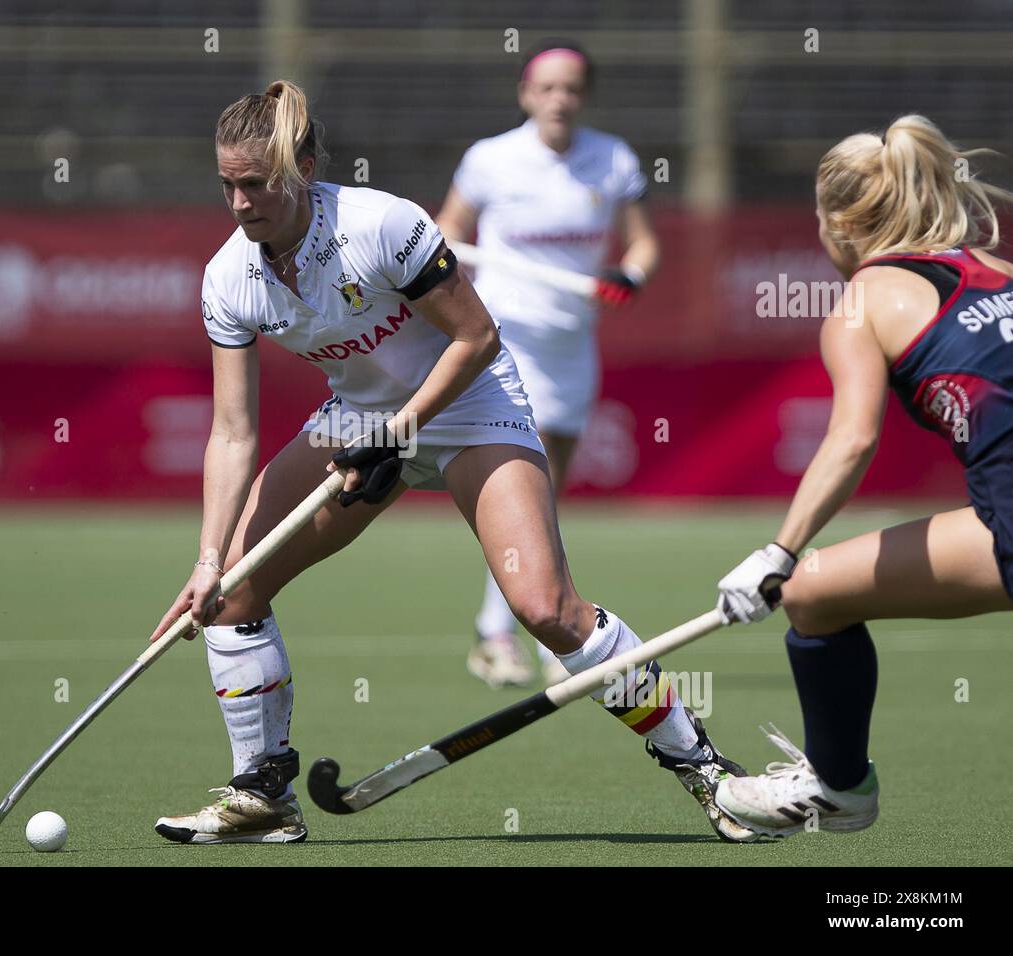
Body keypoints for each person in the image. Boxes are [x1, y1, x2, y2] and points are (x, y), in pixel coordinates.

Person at [148, 79, 752, 845]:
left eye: (257, 182)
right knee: (231, 594)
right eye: (227, 184)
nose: (239, 203)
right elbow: (232, 430)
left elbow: (478, 338)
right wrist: (207, 559)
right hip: (361, 418)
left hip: (470, 404)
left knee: (547, 611)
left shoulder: (381, 224)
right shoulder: (227, 278)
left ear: (302, 165)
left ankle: (708, 771)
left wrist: (398, 432)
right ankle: (263, 794)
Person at [713, 114, 1013, 838]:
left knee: (810, 593)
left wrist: (777, 555)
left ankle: (839, 788)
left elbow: (851, 441)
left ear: (839, 224)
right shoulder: (999, 270)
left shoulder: (864, 302)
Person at [436, 38, 660, 688]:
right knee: (520, 491)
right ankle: (500, 632)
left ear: (583, 95)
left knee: (546, 497)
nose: (558, 99)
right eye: (546, 88)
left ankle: (529, 627)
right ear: (526, 94)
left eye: (570, 88)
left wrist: (631, 275)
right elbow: (444, 237)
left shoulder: (612, 159)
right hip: (507, 344)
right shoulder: (490, 160)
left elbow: (644, 245)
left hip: (572, 344)